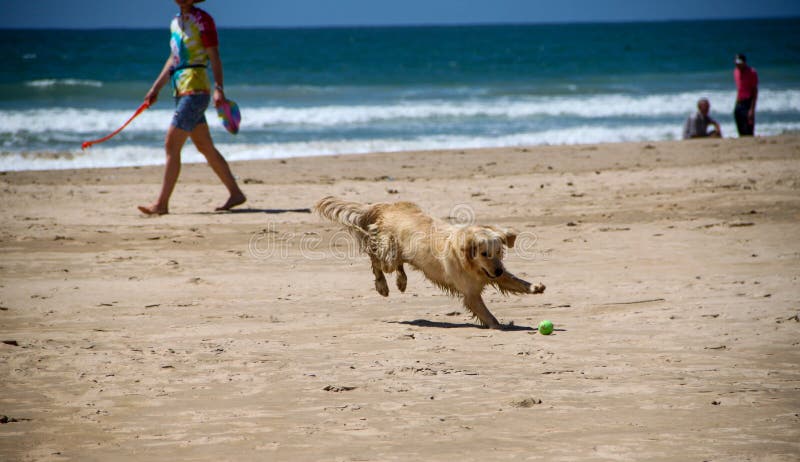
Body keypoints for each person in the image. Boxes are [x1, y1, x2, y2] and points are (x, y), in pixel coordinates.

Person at [138, 0, 245, 215]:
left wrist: (219, 88)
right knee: (205, 147)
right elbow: (173, 60)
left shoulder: (203, 20)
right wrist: (155, 89)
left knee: (171, 144)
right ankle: (236, 193)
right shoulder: (175, 22)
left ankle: (161, 204)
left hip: (196, 90)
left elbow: (214, 55)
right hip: (181, 90)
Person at [733, 53, 758, 137]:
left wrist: (752, 109)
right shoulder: (736, 72)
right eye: (736, 63)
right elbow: (739, 88)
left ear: (744, 62)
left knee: (748, 129)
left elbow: (754, 91)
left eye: (739, 63)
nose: (738, 65)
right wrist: (736, 103)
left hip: (748, 102)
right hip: (739, 102)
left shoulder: (752, 72)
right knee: (740, 127)